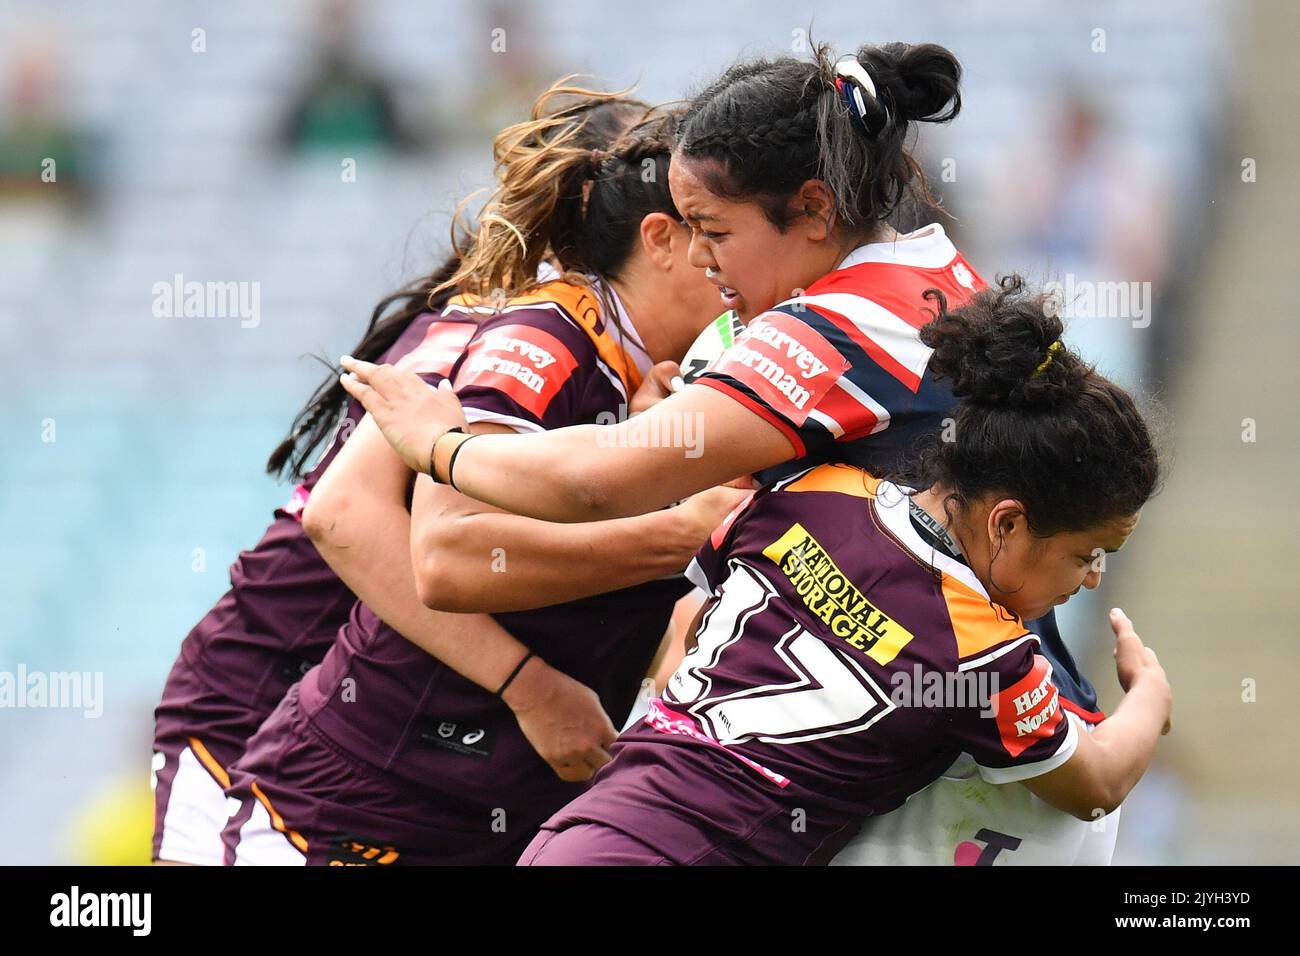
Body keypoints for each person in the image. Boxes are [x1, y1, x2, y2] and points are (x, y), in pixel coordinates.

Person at [218, 89, 742, 865]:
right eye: (712, 234)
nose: (724, 260)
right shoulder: (544, 340)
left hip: (475, 809)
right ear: (659, 238)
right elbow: (438, 550)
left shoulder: (659, 375)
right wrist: (672, 539)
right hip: (358, 793)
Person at [518, 276, 1170, 865]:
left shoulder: (817, 489)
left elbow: (696, 628)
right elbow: (1098, 785)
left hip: (576, 835)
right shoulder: (985, 656)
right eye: (1088, 554)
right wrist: (1148, 698)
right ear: (1005, 524)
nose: (1090, 579)